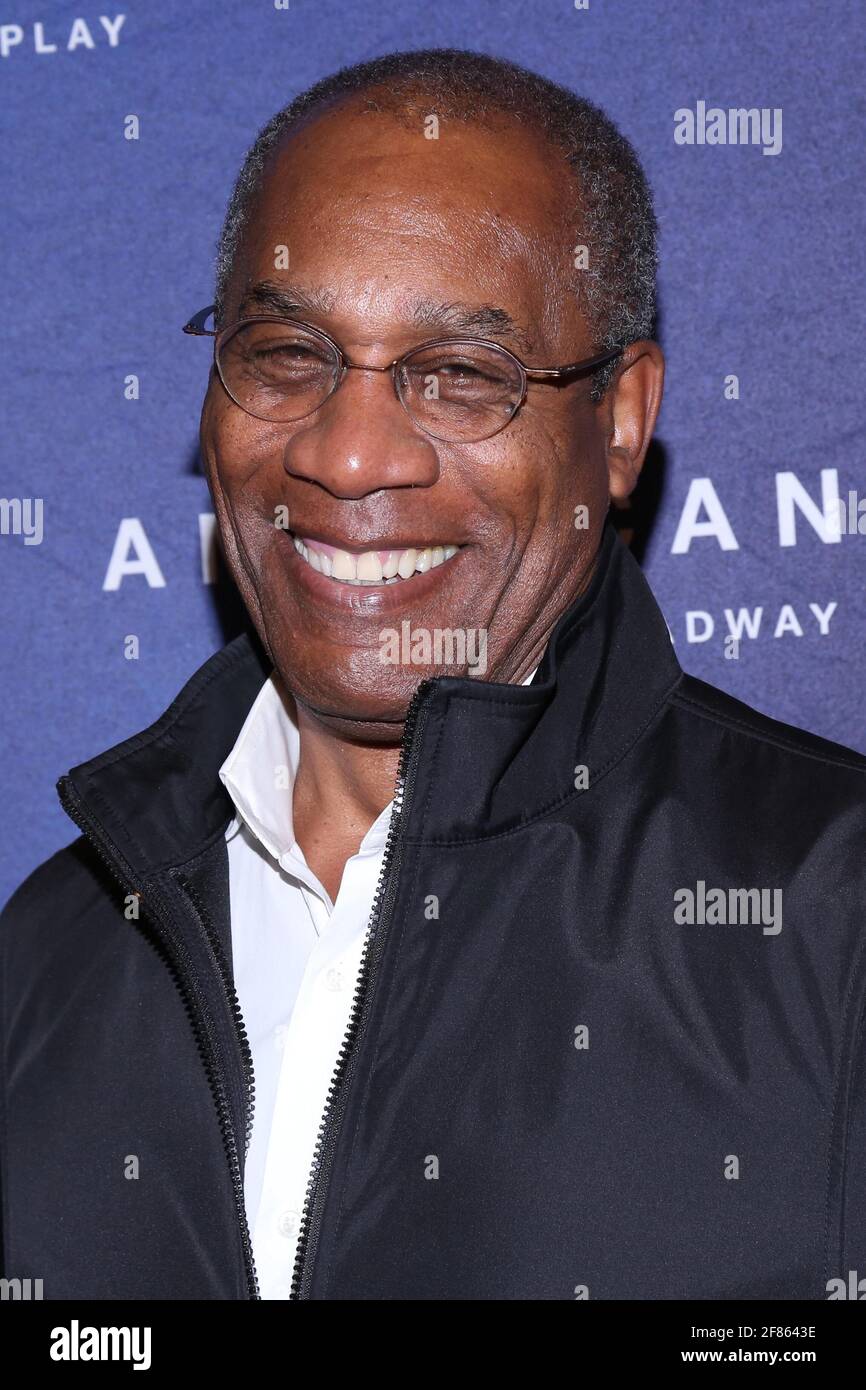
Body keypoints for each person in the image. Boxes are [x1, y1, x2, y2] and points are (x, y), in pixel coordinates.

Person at [2, 48, 865, 1302]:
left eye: (461, 375)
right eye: (287, 353)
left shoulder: (833, 921)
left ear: (619, 423)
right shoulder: (51, 954)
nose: (348, 457)